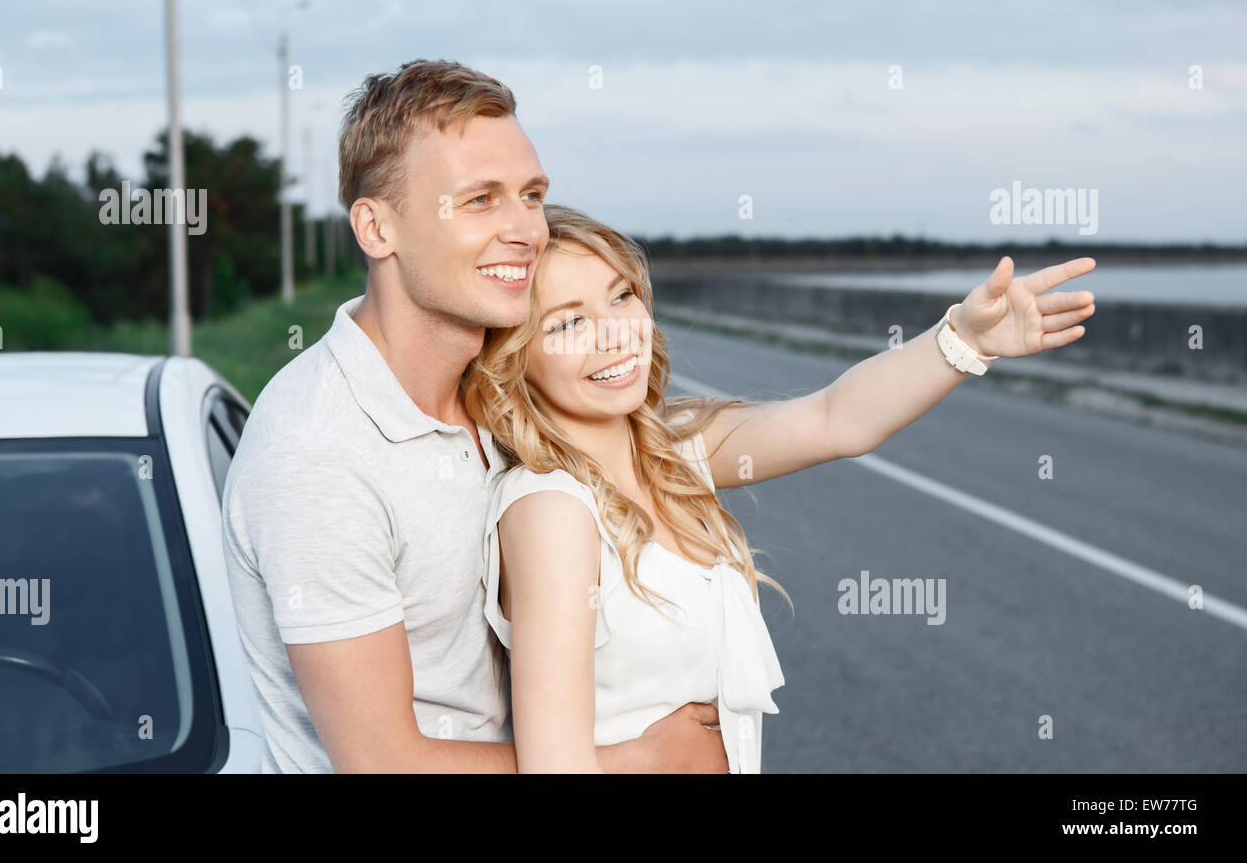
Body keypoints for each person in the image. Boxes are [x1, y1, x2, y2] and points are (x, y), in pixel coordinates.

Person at [221, 60, 729, 772]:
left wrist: (946, 344)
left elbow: (733, 437)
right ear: (376, 228)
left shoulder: (499, 386)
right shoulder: (317, 452)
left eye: (531, 195)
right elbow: (382, 763)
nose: (527, 230)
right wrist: (640, 761)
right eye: (481, 200)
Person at [464, 203, 1096, 773]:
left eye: (621, 296)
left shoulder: (674, 449)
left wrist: (963, 340)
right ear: (516, 357)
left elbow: (835, 420)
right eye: (568, 324)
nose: (615, 333)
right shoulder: (553, 510)